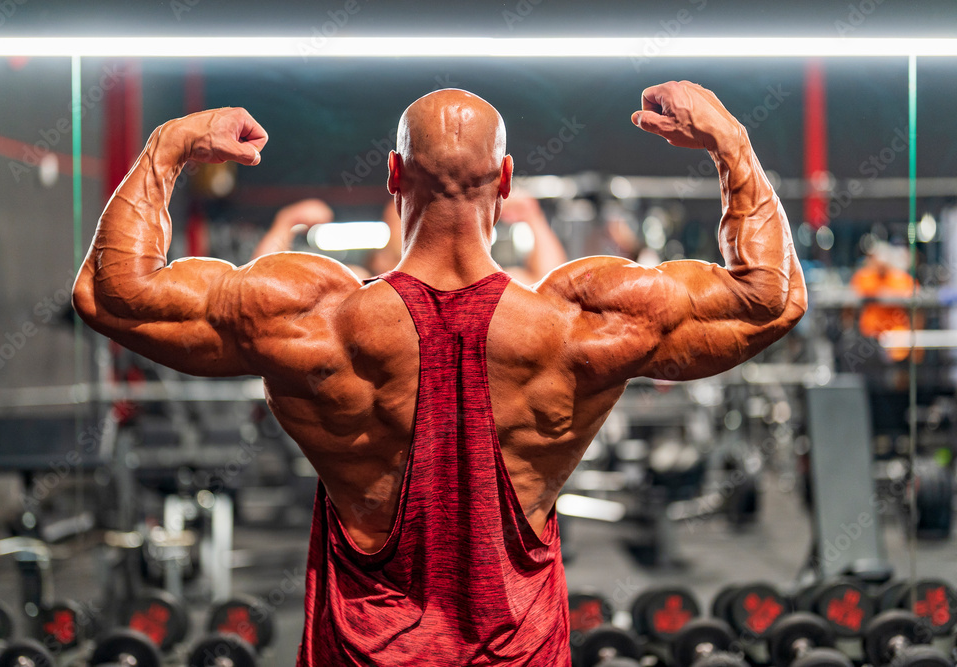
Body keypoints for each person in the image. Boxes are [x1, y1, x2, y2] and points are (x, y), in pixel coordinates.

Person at [73, 82, 807, 665]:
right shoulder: (576, 323)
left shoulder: (316, 319)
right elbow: (771, 298)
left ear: (393, 176)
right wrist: (731, 144)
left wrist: (166, 148)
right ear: (506, 180)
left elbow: (110, 294)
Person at [251, 191, 567, 284]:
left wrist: (533, 217)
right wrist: (285, 224)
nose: (418, 220)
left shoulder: (479, 287)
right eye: (406, 211)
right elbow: (263, 291)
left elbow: (549, 283)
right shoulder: (361, 283)